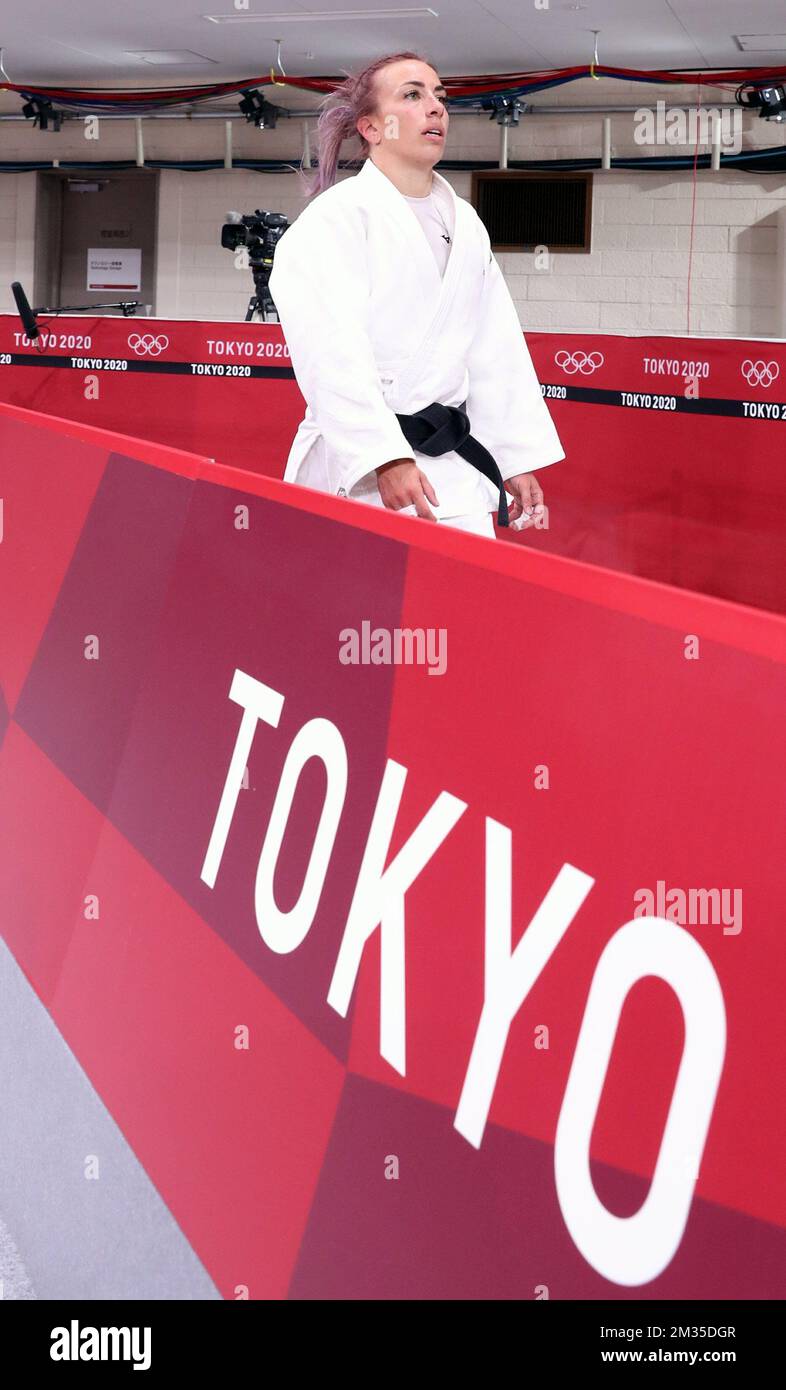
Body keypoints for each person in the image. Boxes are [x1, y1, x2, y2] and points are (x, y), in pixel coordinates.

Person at [268, 50, 565, 539]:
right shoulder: (336, 219)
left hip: (451, 464)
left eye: (440, 96)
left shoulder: (465, 222)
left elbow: (494, 346)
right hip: (361, 467)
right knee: (354, 610)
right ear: (370, 127)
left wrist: (512, 454)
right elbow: (331, 351)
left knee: (461, 605)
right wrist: (384, 456)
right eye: (412, 95)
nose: (436, 107)